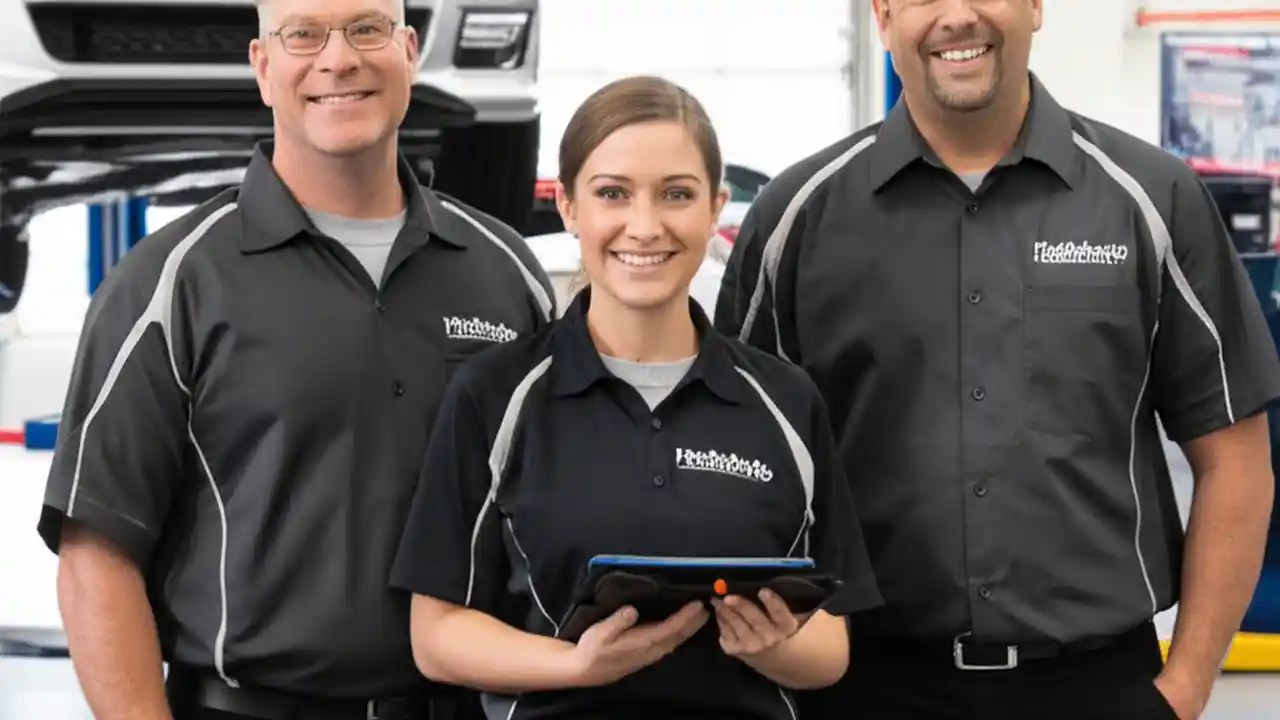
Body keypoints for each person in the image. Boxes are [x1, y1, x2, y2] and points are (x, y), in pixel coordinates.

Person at [715, 1, 1280, 719]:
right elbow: (739, 463)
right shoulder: (796, 217)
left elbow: (1234, 458)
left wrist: (1187, 686)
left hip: (1098, 686)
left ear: (1036, 7)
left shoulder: (1153, 202)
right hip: (861, 685)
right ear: (883, 17)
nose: (958, 16)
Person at [36, 0, 554, 717]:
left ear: (408, 49)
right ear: (263, 65)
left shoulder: (506, 275)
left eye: (366, 28)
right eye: (303, 34)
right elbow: (96, 556)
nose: (338, 59)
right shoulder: (174, 282)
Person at [388, 75, 882, 720]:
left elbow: (831, 648)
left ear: (715, 208)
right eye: (613, 194)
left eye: (676, 194)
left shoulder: (785, 400)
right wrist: (576, 667)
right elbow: (436, 634)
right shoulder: (493, 394)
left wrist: (770, 647)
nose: (644, 227)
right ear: (568, 207)